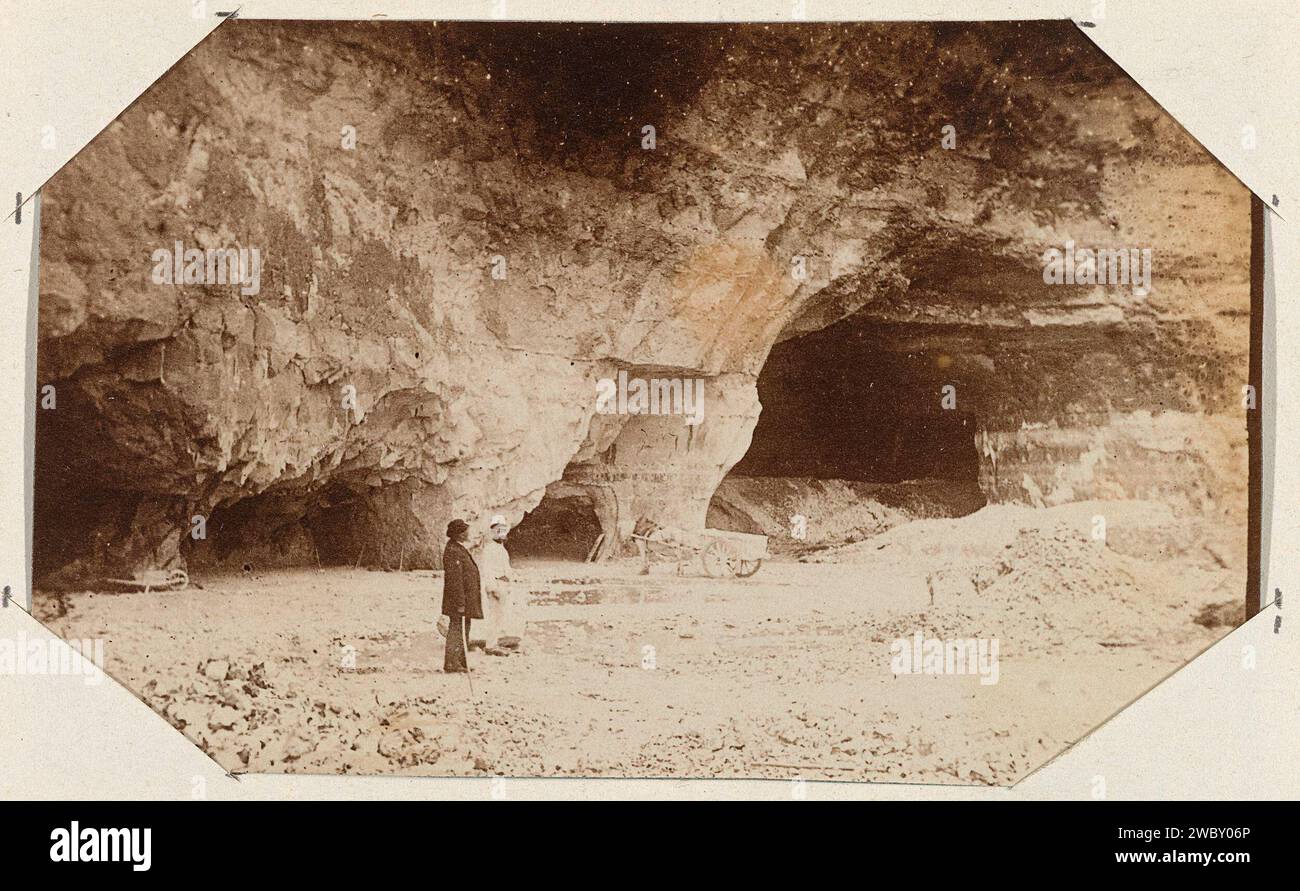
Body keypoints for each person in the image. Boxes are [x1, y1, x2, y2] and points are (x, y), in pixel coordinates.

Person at [441, 519, 483, 673]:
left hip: (464, 600)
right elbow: (455, 580)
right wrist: (460, 602)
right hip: (458, 601)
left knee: (464, 630)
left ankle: (460, 661)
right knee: (456, 630)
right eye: (465, 531)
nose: (468, 533)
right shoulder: (453, 551)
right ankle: (452, 663)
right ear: (459, 533)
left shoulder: (457, 548)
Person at [479, 514, 523, 655]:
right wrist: (493, 588)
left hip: (503, 585)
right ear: (493, 531)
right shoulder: (489, 549)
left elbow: (506, 568)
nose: (501, 533)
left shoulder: (501, 549)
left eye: (503, 530)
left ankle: (495, 642)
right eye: (498, 530)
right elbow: (487, 570)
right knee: (494, 616)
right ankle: (490, 645)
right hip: (496, 585)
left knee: (500, 616)